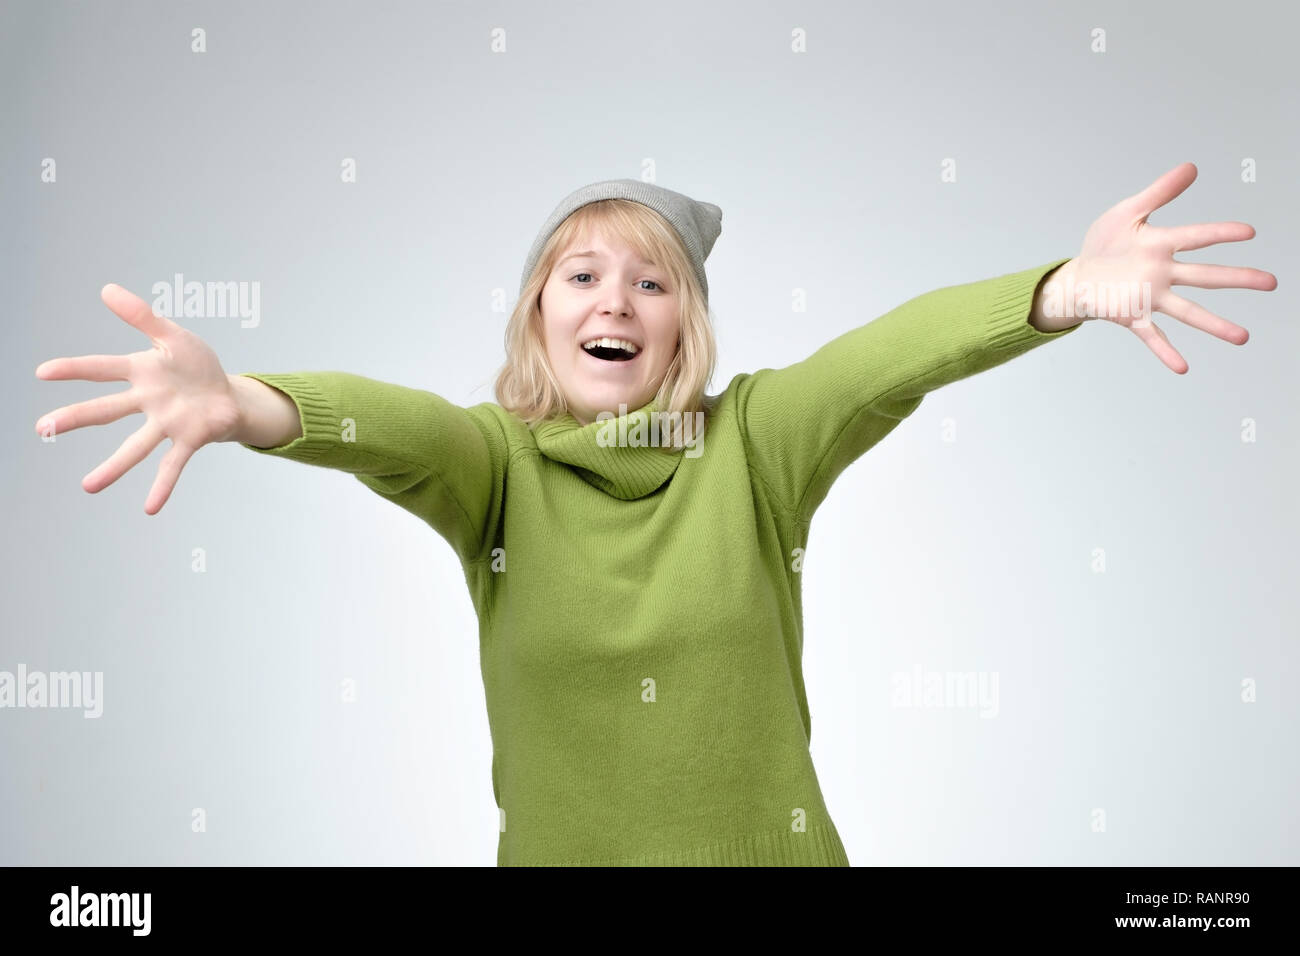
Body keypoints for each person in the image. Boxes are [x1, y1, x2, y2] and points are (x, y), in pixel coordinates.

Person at [33, 166, 1276, 866]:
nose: (612, 298)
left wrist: (1057, 288)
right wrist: (251, 402)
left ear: (683, 321)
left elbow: (885, 357)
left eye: (649, 279)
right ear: (539, 316)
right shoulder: (496, 467)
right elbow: (400, 426)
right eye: (579, 275)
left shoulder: (755, 445)